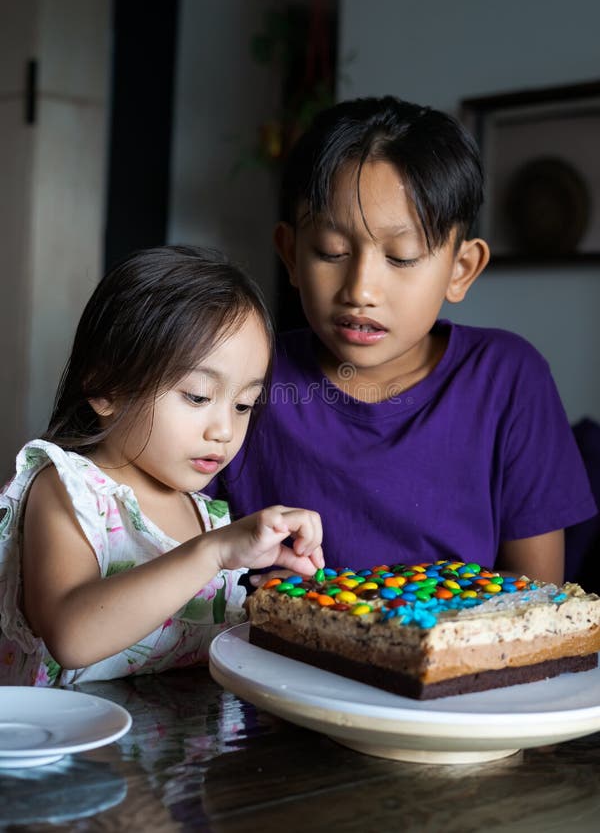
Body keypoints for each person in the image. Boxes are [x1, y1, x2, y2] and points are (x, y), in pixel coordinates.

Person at [208, 95, 597, 585]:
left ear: (461, 269)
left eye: (403, 257)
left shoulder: (507, 379)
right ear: (290, 254)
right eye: (331, 252)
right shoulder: (245, 373)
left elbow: (538, 602)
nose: (360, 291)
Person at [0, 246, 323, 686]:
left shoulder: (203, 514)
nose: (224, 430)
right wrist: (214, 553)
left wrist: (269, 605)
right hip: (66, 748)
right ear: (105, 385)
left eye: (244, 404)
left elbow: (188, 642)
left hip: (175, 748)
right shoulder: (70, 489)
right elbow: (71, 636)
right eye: (197, 397)